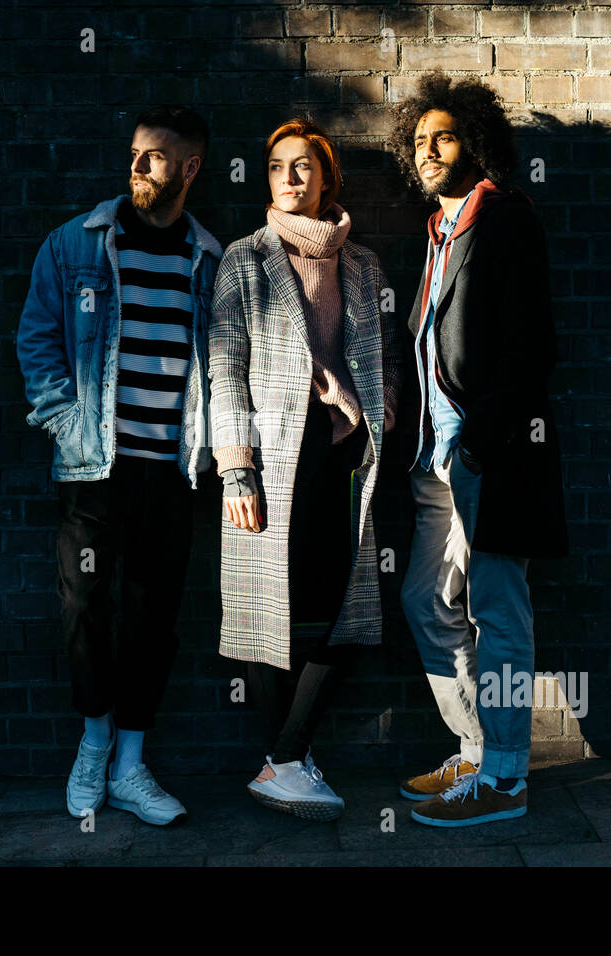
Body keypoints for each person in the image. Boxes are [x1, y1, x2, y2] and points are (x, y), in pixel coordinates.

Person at [15, 106, 222, 826]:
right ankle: (94, 740)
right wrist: (69, 425)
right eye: (135, 153)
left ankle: (132, 765)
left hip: (169, 474)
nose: (138, 167)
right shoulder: (76, 245)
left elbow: (224, 366)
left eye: (156, 157)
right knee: (83, 608)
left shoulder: (209, 261)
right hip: (92, 471)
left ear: (191, 168)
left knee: (152, 619)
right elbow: (37, 338)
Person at [386, 75, 569, 827]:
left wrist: (480, 441)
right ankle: (472, 748)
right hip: (437, 460)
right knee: (427, 601)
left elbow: (533, 350)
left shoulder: (504, 219)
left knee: (498, 610)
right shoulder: (436, 234)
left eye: (445, 137)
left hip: (489, 455)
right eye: (420, 141)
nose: (429, 151)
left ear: (478, 143)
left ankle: (505, 779)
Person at [208, 117, 402, 821]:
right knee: (265, 614)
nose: (288, 179)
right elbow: (223, 369)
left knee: (338, 614)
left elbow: (382, 362)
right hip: (267, 460)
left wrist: (364, 419)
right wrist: (235, 470)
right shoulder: (245, 259)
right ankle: (287, 760)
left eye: (302, 168)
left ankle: (284, 758)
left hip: (342, 458)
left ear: (326, 179)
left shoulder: (363, 266)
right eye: (277, 168)